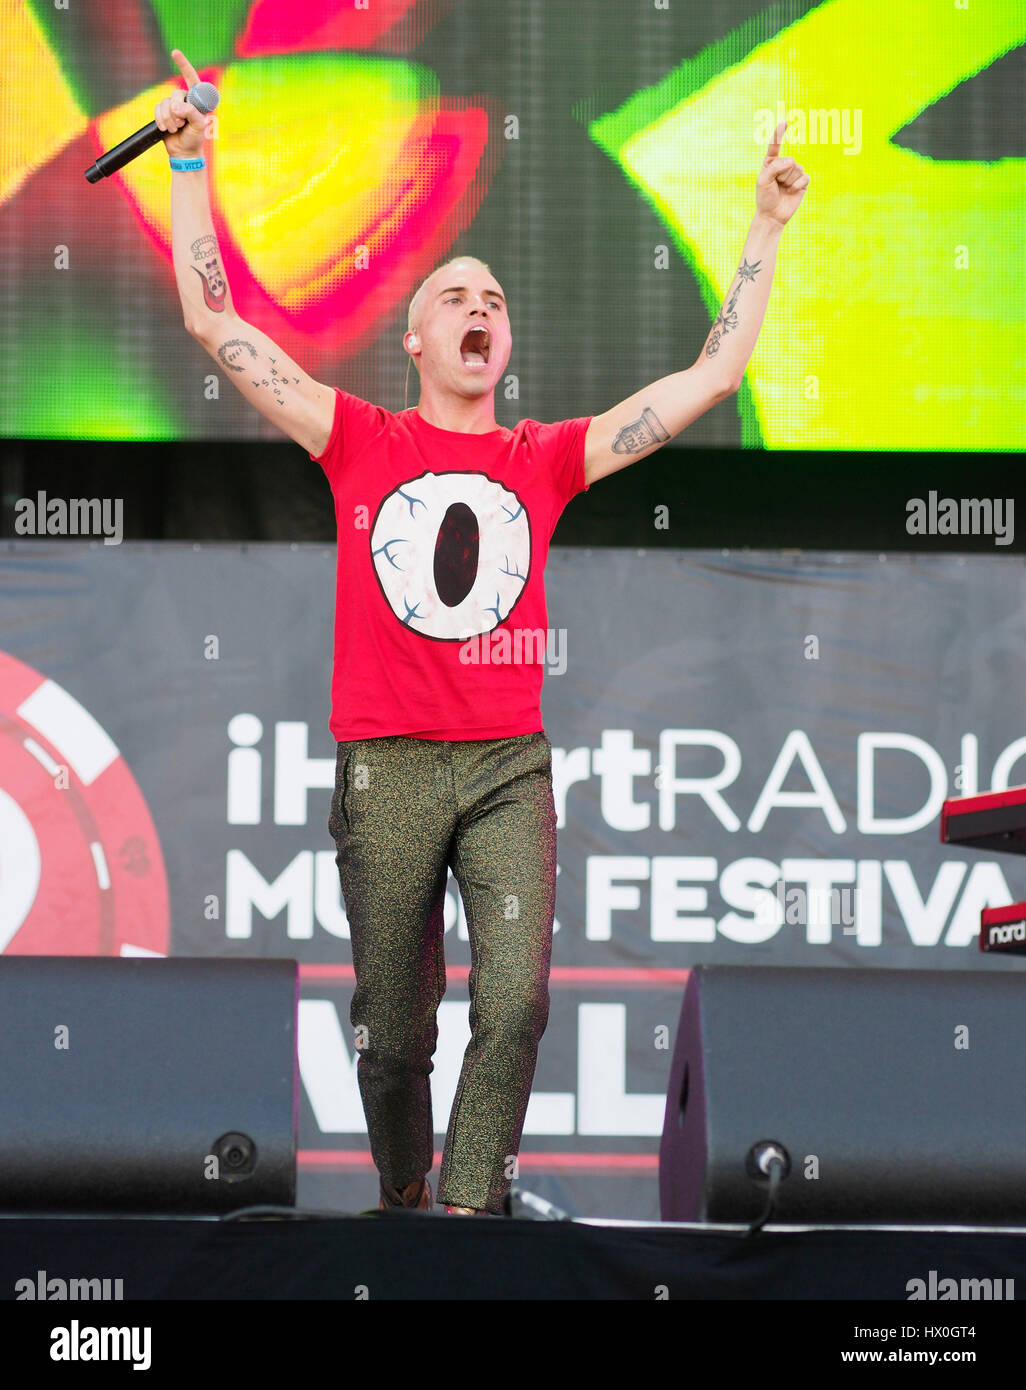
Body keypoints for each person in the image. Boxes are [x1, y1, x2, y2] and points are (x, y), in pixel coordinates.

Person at [157, 48, 809, 1215]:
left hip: (510, 767)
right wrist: (194, 157)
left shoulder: (543, 457)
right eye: (455, 297)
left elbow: (713, 375)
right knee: (393, 1035)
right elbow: (214, 319)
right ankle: (409, 1197)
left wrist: (764, 228)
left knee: (514, 1003)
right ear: (414, 341)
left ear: (506, 349)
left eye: (495, 301)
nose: (480, 308)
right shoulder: (357, 436)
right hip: (386, 763)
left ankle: (464, 1217)